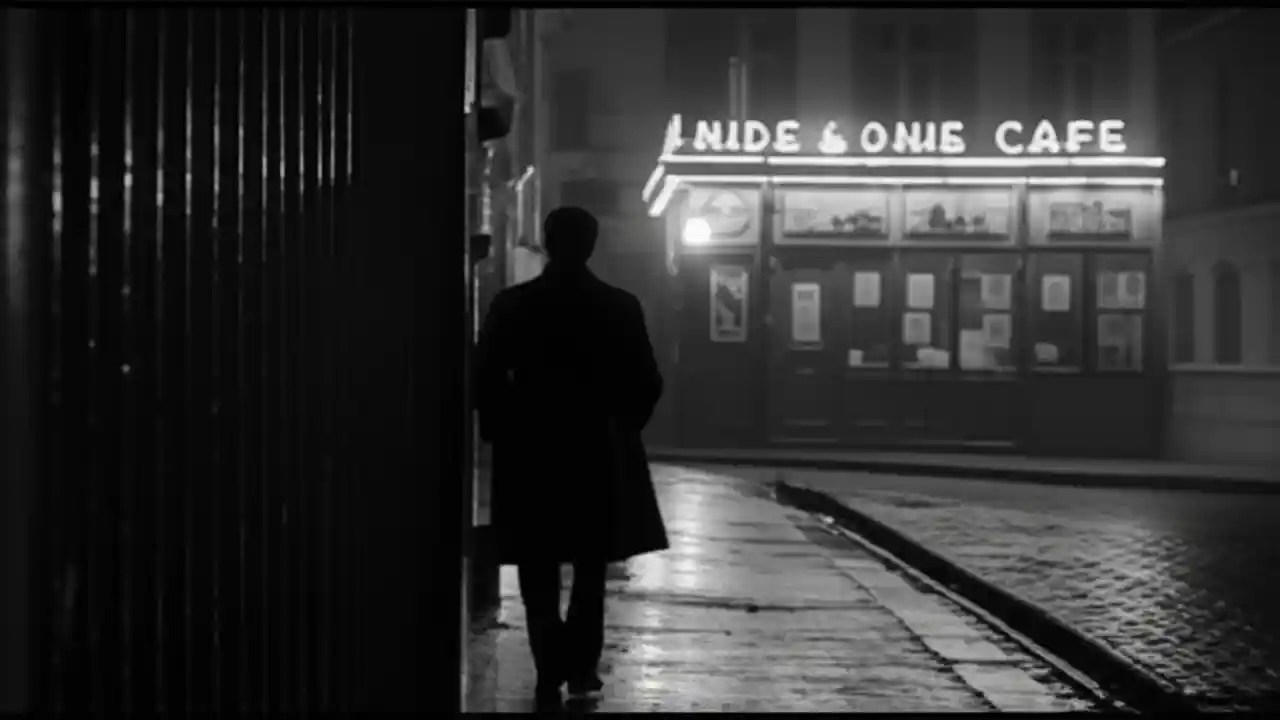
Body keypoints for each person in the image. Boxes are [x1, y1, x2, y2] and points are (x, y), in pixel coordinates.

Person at [475, 207, 669, 709]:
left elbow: (486, 377)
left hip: (532, 451)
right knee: (589, 566)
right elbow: (647, 381)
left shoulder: (514, 304)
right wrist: (621, 429)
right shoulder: (619, 306)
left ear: (547, 242)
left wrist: (502, 429)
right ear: (592, 245)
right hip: (594, 451)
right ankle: (580, 667)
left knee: (537, 565)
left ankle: (549, 665)